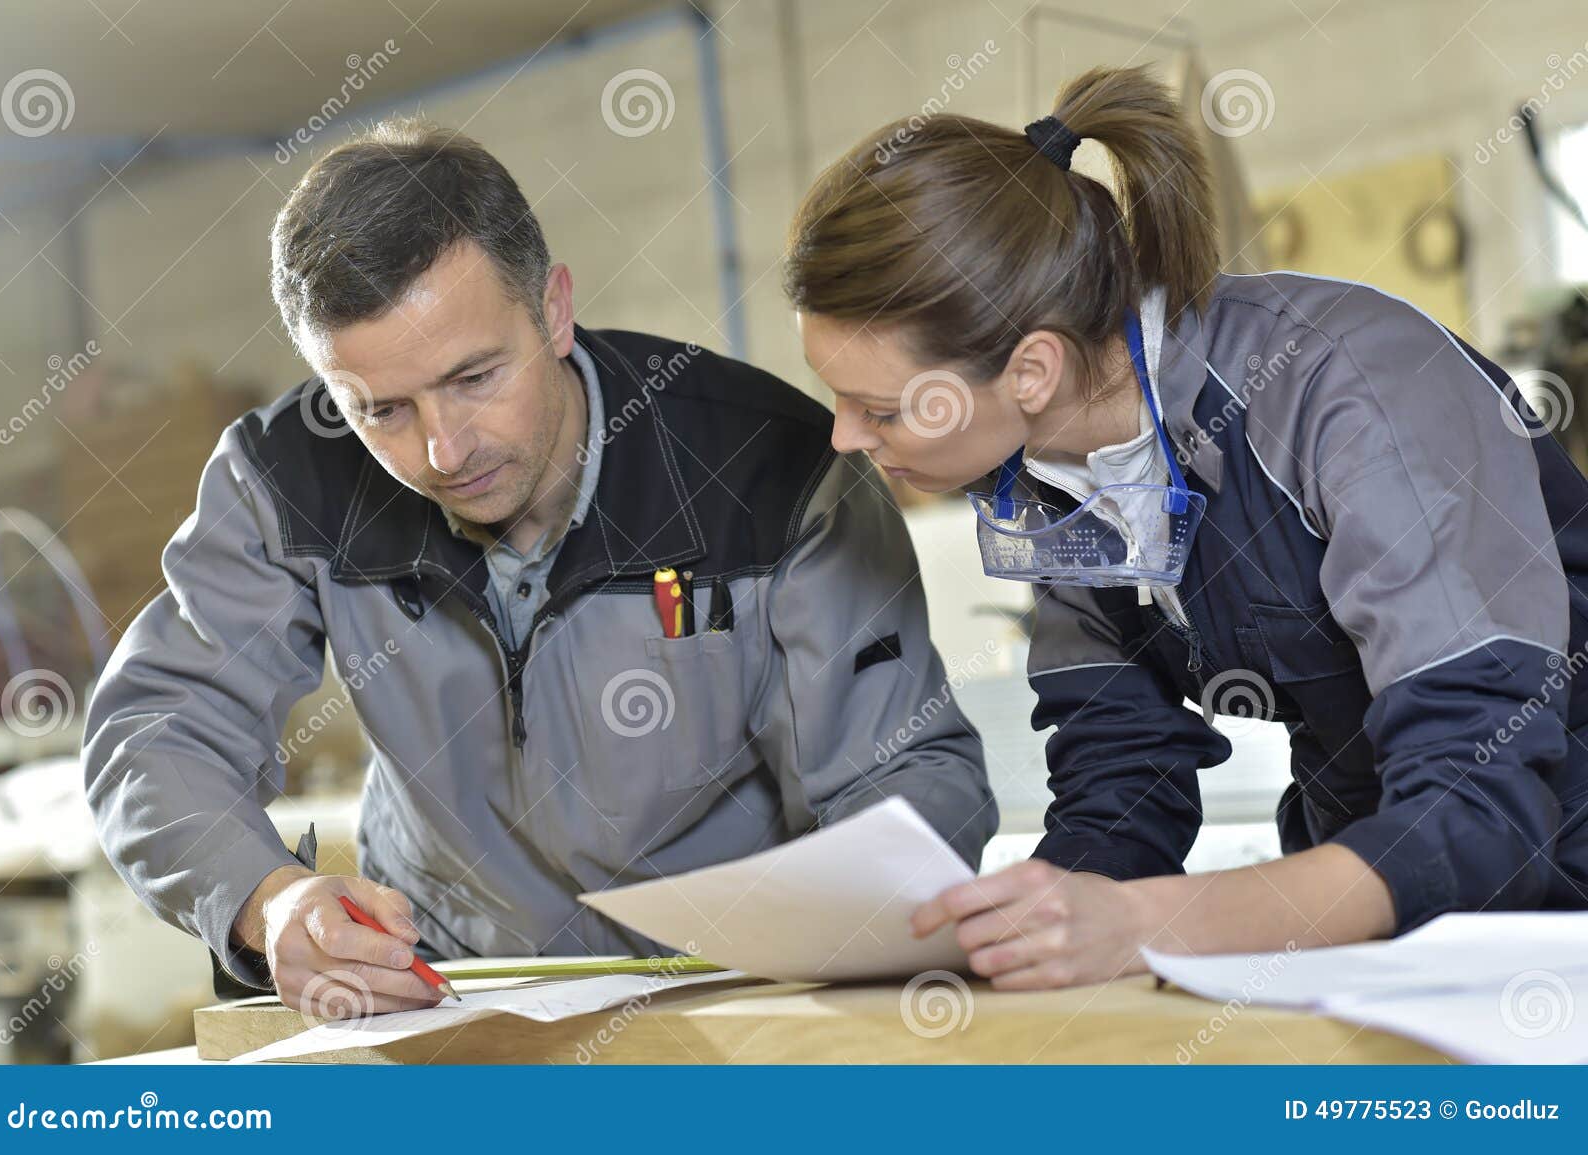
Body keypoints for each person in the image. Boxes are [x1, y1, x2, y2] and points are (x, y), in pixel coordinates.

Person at [82, 119, 997, 1017]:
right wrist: (265, 897)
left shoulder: (774, 469)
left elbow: (903, 774)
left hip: (727, 992)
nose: (444, 450)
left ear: (554, 308)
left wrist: (851, 953)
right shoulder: (283, 477)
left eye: (475, 377)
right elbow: (158, 729)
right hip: (444, 995)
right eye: (380, 410)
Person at [784, 66, 1588, 989]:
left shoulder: (1351, 392)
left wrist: (1143, 923)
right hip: (1380, 925)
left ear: (1033, 369)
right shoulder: (1049, 476)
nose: (844, 436)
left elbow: (1479, 801)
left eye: (877, 407)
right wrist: (1030, 933)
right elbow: (1122, 774)